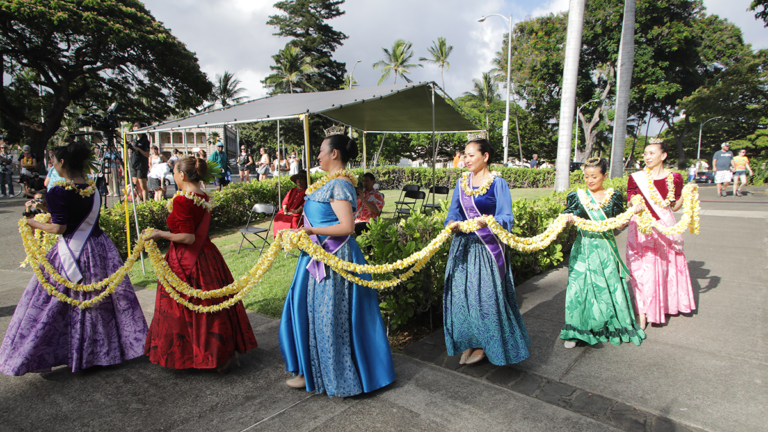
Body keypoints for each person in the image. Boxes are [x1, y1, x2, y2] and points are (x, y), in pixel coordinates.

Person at [0, 141, 148, 376]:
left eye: (53, 161)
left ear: (62, 163)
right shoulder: (92, 187)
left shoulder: (58, 190)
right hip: (100, 248)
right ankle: (102, 352)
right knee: (99, 300)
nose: (52, 165)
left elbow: (60, 228)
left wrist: (33, 222)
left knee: (59, 301)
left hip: (73, 250)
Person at [279, 132, 395, 397]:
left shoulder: (341, 184)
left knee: (331, 316)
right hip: (319, 255)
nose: (317, 155)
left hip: (335, 258)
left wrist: (309, 232)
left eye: (321, 150)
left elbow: (347, 227)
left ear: (334, 153)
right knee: (315, 313)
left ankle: (339, 375)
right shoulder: (330, 182)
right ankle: (312, 370)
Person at [144, 157, 257, 371]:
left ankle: (191, 356)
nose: (173, 177)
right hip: (207, 256)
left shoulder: (182, 199)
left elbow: (187, 237)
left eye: (174, 173)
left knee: (186, 305)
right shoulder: (203, 196)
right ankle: (221, 353)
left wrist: (160, 234)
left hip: (186, 259)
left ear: (182, 175)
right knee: (210, 305)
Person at [444, 136, 530, 366]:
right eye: (465, 154)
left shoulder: (497, 183)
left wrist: (487, 222)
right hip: (463, 248)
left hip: (486, 249)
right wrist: (452, 223)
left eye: (471, 155)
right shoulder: (461, 183)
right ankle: (470, 341)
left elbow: (506, 216)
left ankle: (485, 344)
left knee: (485, 298)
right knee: (463, 298)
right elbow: (453, 212)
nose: (466, 159)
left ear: (485, 156)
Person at [560, 158, 646, 349]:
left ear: (604, 176)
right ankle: (575, 331)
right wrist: (567, 218)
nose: (589, 180)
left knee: (606, 286)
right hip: (583, 247)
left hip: (606, 247)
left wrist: (633, 212)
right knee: (578, 288)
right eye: (586, 176)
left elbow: (620, 223)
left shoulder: (614, 196)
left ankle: (607, 324)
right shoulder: (576, 195)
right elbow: (567, 216)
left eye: (594, 176)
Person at [626, 138, 695, 329]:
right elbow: (629, 199)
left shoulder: (675, 178)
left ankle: (667, 304)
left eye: (651, 153)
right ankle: (644, 311)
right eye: (645, 153)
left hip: (665, 224)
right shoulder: (636, 177)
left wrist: (688, 194)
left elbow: (674, 205)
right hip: (641, 226)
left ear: (663, 156)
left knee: (667, 266)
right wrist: (634, 204)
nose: (647, 157)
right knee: (642, 269)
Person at [273, 170, 308, 237]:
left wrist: (296, 211)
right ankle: (280, 238)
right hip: (288, 211)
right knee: (278, 217)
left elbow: (305, 204)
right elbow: (285, 201)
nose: (299, 180)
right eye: (298, 178)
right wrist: (285, 211)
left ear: (305, 180)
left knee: (294, 219)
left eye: (301, 178)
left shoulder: (307, 191)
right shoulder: (292, 190)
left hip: (299, 213)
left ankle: (294, 238)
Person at [129, 123, 150, 202]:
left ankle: (145, 202)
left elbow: (147, 154)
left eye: (136, 126)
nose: (134, 128)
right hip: (134, 164)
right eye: (134, 126)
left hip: (141, 165)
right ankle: (138, 202)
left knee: (142, 185)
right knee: (136, 185)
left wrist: (139, 149)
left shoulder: (145, 141)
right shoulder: (135, 140)